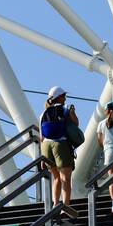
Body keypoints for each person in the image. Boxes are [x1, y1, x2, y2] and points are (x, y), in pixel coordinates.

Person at [40, 87, 80, 216]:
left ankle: (55, 204)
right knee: (66, 178)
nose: (65, 98)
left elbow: (41, 137)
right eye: (63, 96)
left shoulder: (43, 113)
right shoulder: (65, 108)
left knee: (56, 177)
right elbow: (76, 123)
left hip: (46, 146)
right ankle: (65, 208)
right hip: (60, 144)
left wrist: (42, 157)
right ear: (60, 97)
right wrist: (72, 111)